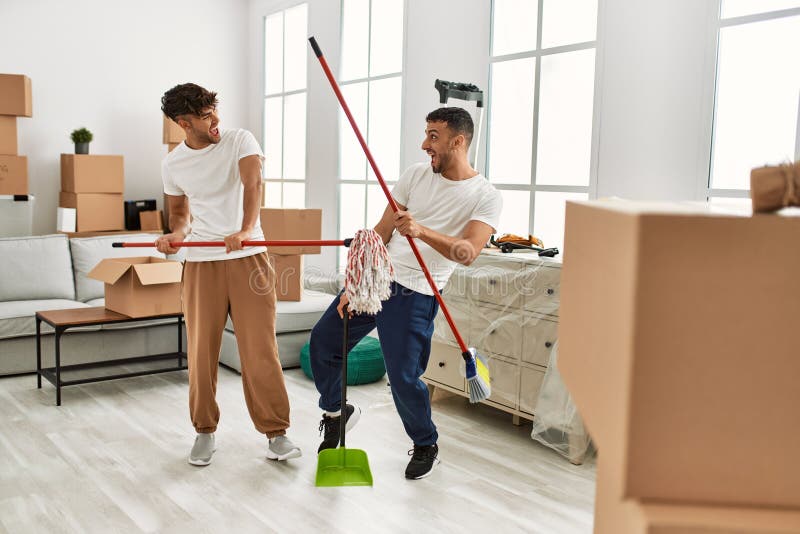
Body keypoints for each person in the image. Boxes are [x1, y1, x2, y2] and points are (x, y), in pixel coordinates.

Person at [310, 107, 502, 479]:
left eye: (433, 136)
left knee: (403, 377)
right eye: (426, 134)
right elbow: (381, 231)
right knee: (324, 342)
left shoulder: (485, 196)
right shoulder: (415, 175)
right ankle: (336, 412)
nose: (424, 144)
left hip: (417, 293)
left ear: (458, 142)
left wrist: (422, 231)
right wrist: (356, 285)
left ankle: (426, 442)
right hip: (376, 281)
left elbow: (468, 253)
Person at [157, 82, 301, 466]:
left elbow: (253, 184)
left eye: (214, 110)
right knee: (202, 353)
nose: (215, 119)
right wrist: (174, 236)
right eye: (205, 116)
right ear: (184, 123)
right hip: (202, 264)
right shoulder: (173, 163)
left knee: (259, 350)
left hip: (248, 256)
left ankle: (276, 433)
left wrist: (245, 228)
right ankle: (204, 432)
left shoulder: (240, 140)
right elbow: (180, 216)